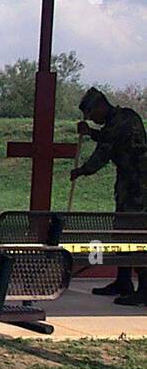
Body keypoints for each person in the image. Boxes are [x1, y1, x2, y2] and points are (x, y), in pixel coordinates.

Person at [71, 87, 147, 305]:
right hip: (129, 185)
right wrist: (91, 133)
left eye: (92, 115)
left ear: (101, 106)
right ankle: (123, 281)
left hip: (138, 189)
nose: (93, 120)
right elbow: (109, 138)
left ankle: (145, 288)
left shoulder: (121, 122)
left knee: (135, 236)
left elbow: (103, 152)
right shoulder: (123, 119)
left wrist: (81, 171)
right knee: (122, 234)